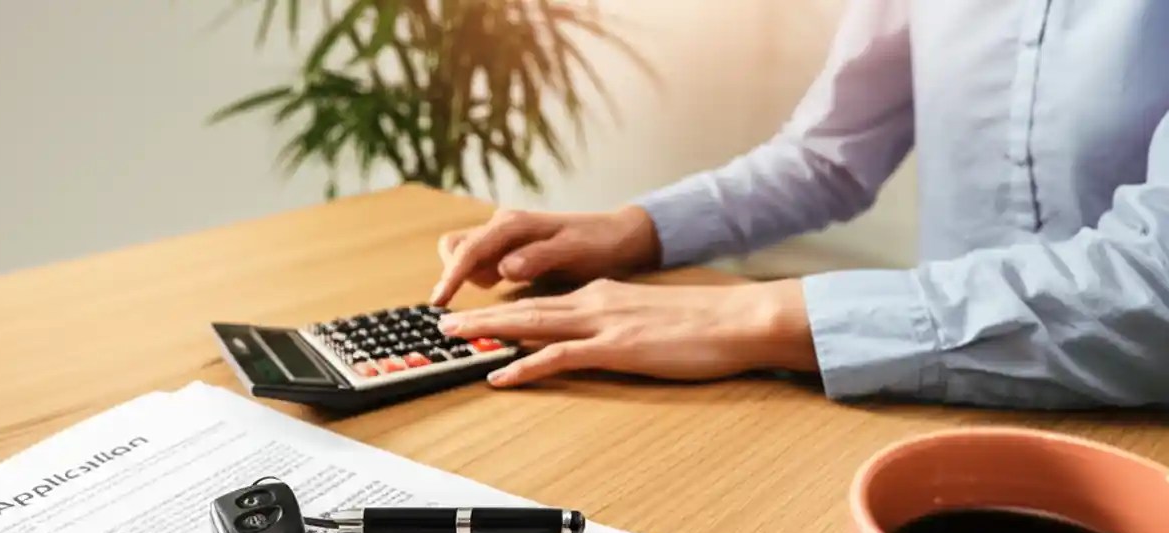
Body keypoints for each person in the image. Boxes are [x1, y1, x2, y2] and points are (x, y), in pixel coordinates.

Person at [428, 0, 1169, 409]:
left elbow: (1151, 287)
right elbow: (828, 156)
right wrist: (635, 229)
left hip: (1134, 428)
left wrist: (753, 316)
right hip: (926, 401)